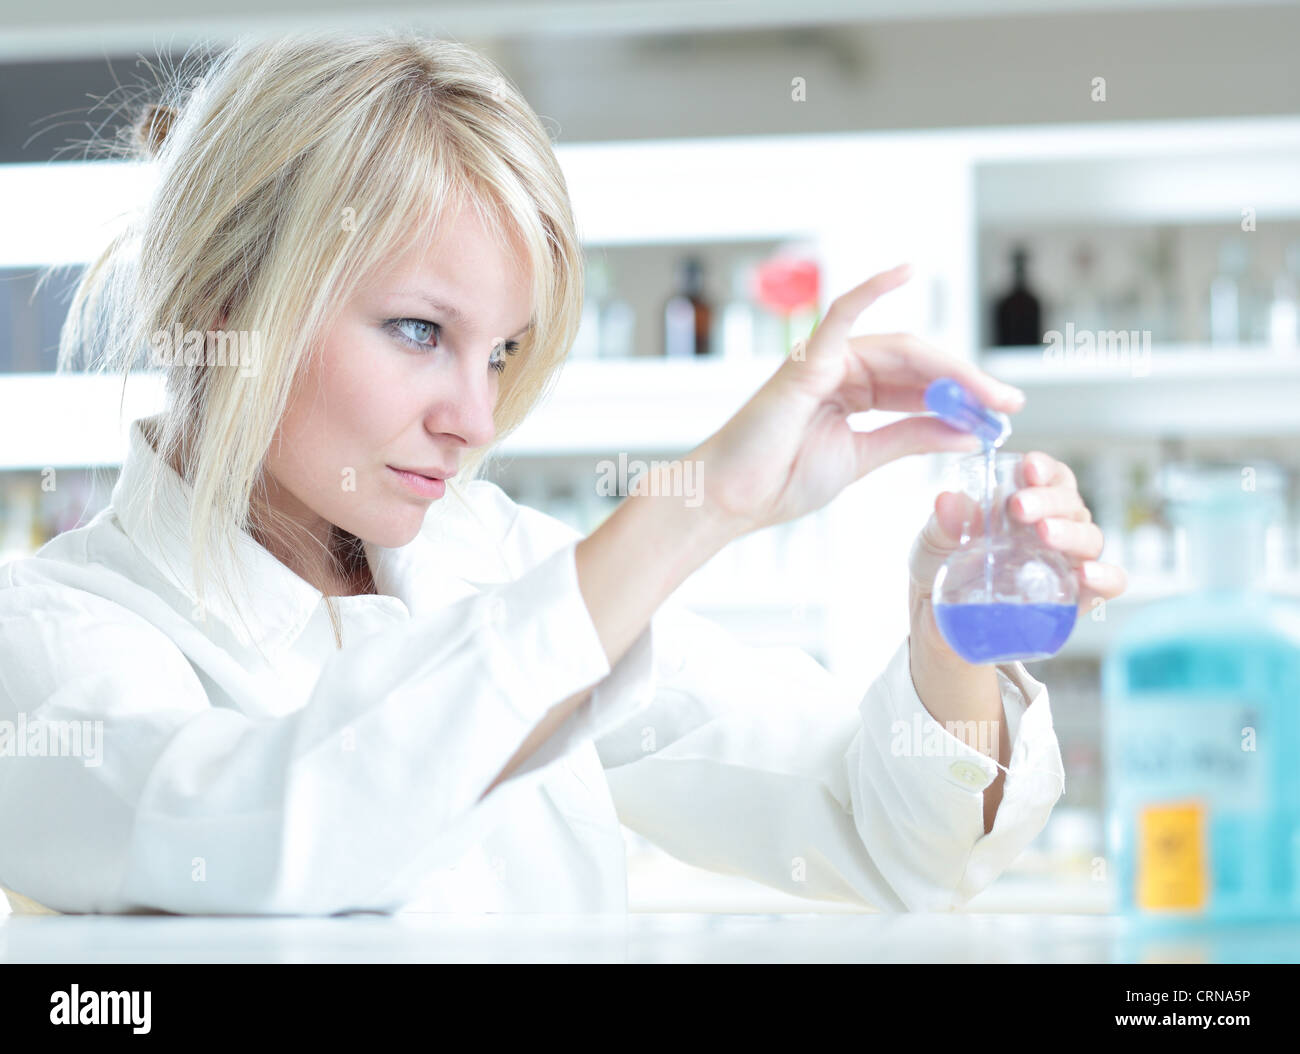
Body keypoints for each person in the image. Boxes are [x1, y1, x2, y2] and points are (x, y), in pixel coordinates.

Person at [0, 30, 1125, 916]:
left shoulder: (498, 563)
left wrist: (946, 638)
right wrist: (698, 509)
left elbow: (889, 838)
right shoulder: (54, 635)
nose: (475, 415)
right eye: (414, 330)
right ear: (223, 303)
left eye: (500, 351)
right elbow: (277, 828)